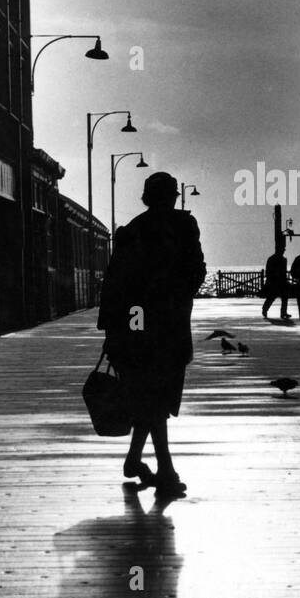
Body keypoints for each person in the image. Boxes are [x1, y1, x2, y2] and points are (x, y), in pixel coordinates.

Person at [97, 172, 206, 498]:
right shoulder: (184, 227)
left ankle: (134, 460)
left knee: (148, 396)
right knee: (157, 398)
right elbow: (197, 271)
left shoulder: (132, 231)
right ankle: (166, 472)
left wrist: (111, 331)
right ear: (173, 196)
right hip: (168, 324)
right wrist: (176, 292)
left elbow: (114, 283)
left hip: (134, 326)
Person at [262, 246, 290, 319]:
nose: (283, 251)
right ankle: (266, 309)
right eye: (283, 250)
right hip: (276, 281)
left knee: (278, 297)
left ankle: (266, 309)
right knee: (273, 297)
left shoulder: (272, 259)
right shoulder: (281, 260)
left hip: (277, 281)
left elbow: (268, 271)